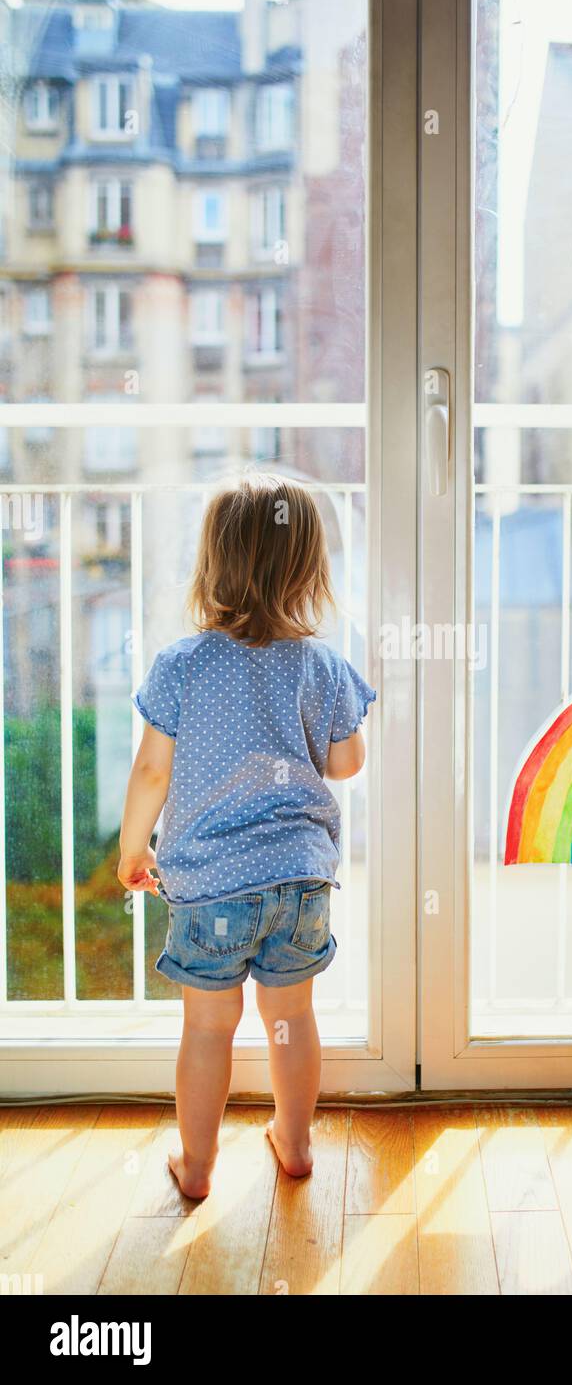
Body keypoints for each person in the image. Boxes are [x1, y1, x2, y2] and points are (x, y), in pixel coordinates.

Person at [117, 472, 375, 1198]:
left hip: (208, 887)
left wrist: (135, 849)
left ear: (215, 564)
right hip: (298, 882)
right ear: (307, 569)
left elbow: (150, 773)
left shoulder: (184, 664)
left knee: (208, 1028)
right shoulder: (320, 663)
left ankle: (196, 1168)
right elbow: (348, 764)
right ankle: (295, 1144)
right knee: (290, 1018)